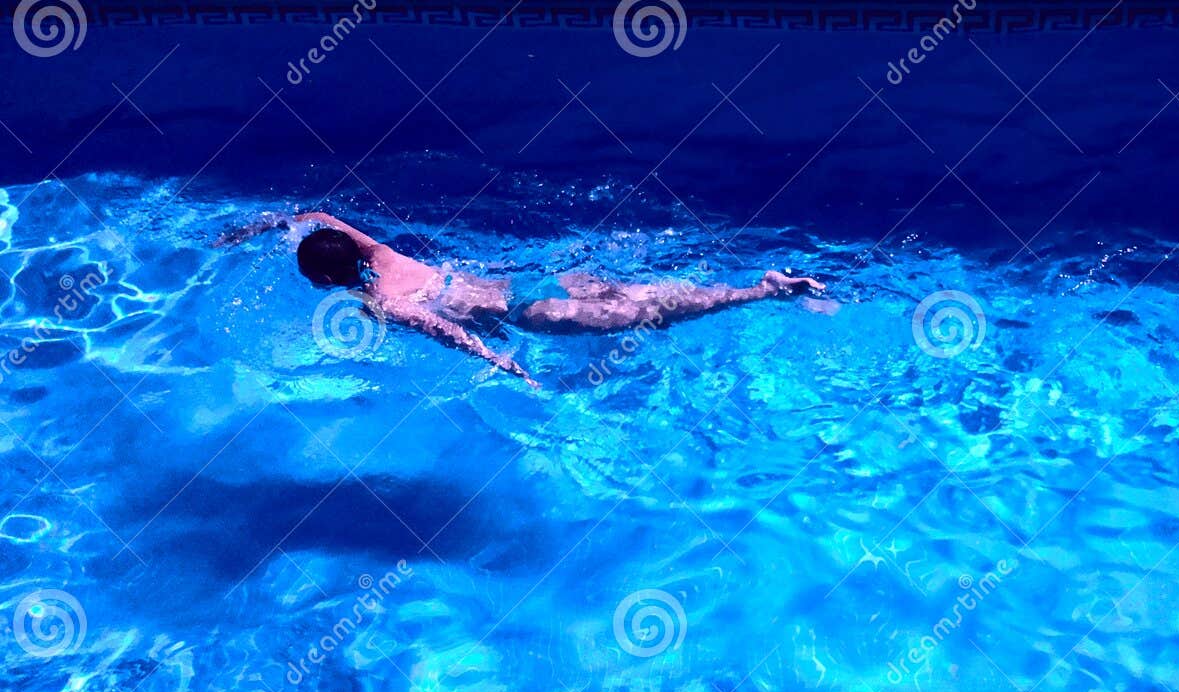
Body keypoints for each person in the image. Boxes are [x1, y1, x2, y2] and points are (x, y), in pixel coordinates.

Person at [217, 212, 826, 388]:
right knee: (643, 298)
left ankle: (764, 291)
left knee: (655, 313)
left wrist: (501, 364)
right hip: (536, 283)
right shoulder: (381, 255)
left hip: (530, 314)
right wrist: (268, 224)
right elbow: (321, 216)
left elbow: (450, 335)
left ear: (326, 284)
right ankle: (761, 287)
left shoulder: (381, 304)